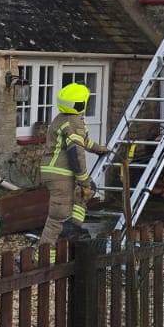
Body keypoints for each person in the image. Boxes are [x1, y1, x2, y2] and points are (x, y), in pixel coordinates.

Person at [38, 83, 111, 249]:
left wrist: (100, 149)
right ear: (80, 103)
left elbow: (83, 141)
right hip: (60, 174)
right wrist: (83, 180)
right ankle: (44, 258)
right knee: (58, 218)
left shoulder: (64, 119)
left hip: (58, 172)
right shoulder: (73, 120)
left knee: (84, 193)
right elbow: (76, 154)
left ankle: (74, 228)